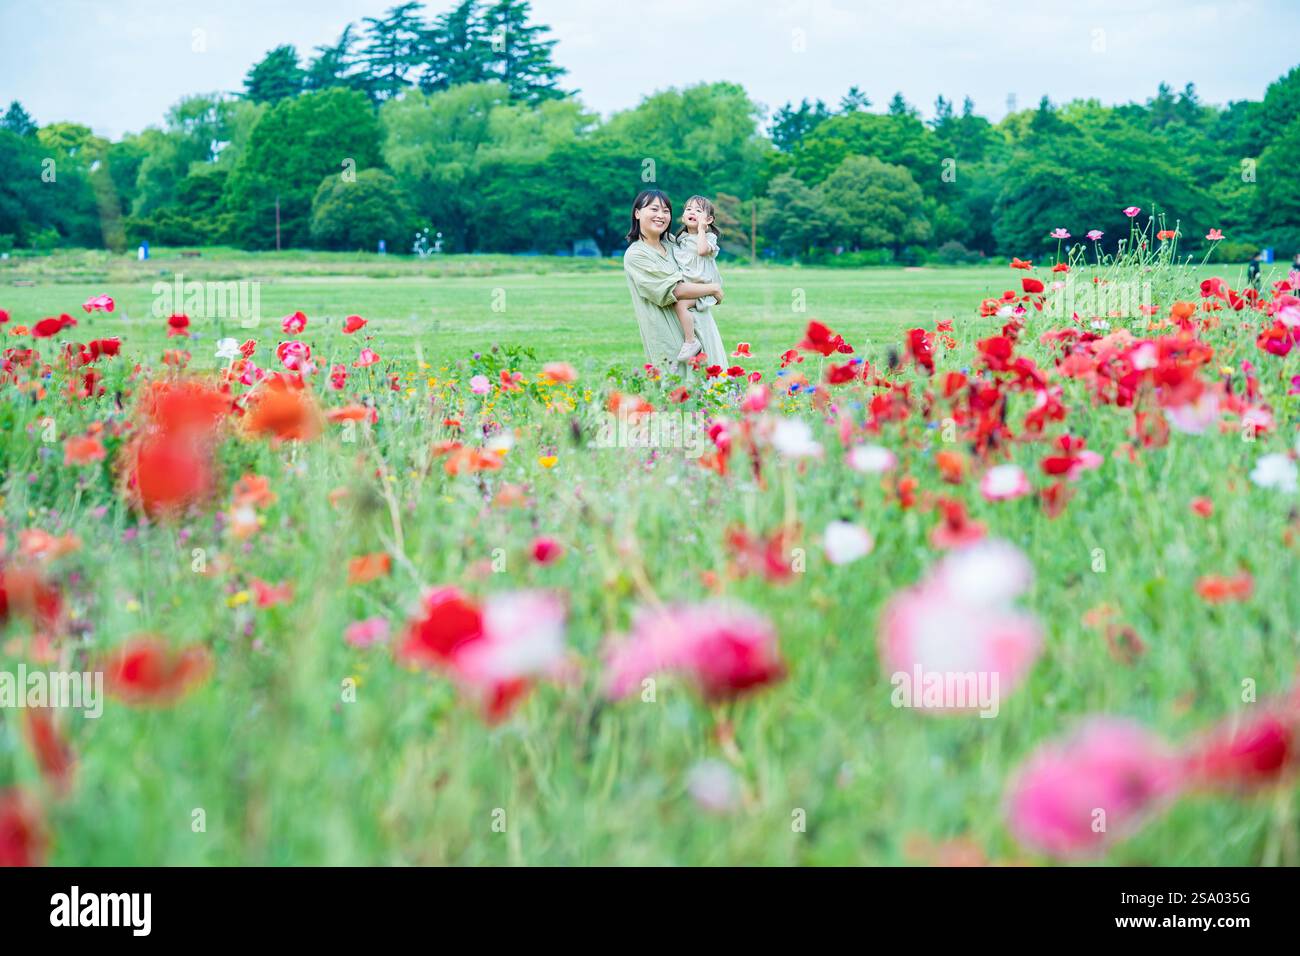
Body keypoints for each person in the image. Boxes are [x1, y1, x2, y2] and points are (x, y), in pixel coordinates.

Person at [622, 190, 726, 374]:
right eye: (654, 209)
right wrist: (713, 288)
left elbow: (701, 262)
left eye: (666, 211)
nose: (660, 215)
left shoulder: (674, 243)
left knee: (716, 393)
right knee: (679, 394)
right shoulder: (636, 254)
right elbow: (674, 290)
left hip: (703, 327)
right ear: (637, 213)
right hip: (670, 339)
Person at [670, 196, 722, 362]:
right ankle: (690, 339)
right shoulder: (681, 240)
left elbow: (701, 250)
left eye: (698, 210)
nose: (692, 212)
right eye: (688, 209)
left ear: (709, 219)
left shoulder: (709, 238)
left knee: (681, 304)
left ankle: (690, 341)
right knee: (678, 303)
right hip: (689, 288)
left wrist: (701, 229)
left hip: (703, 288)